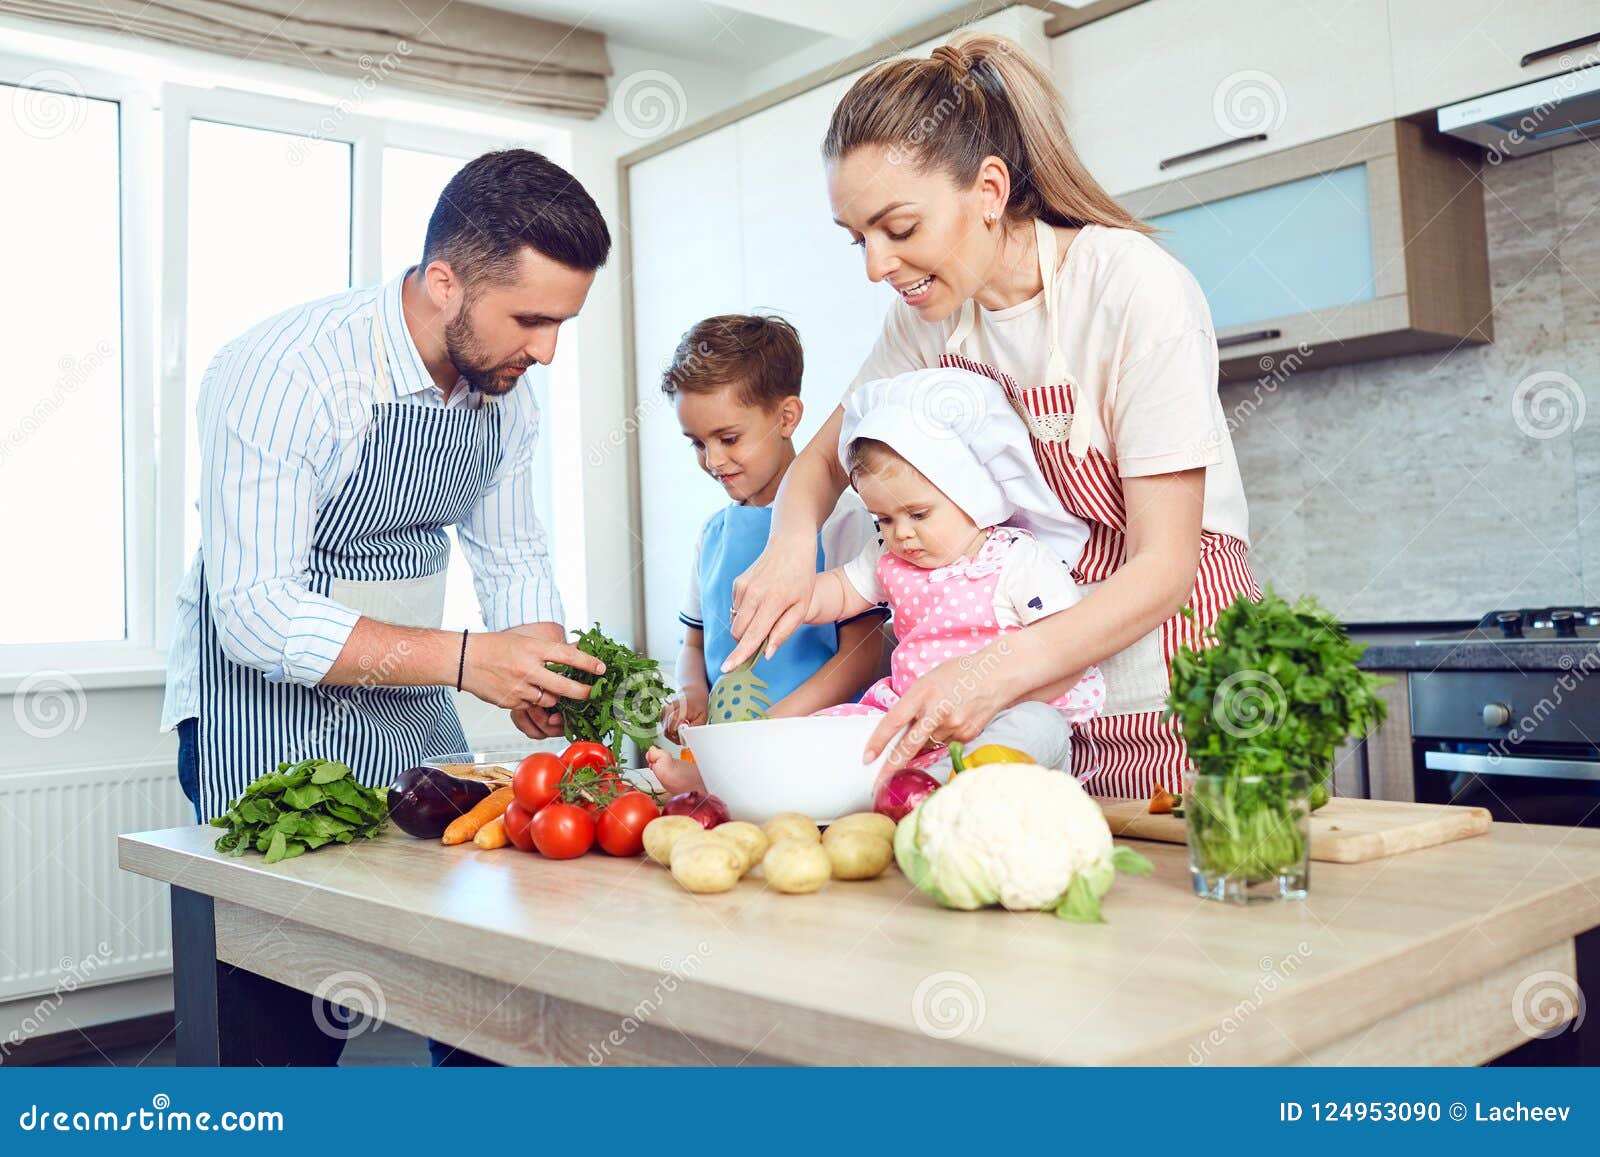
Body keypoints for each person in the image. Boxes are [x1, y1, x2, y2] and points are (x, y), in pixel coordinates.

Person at [719, 33, 1258, 797]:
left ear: (990, 191)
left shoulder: (1131, 288)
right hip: (1032, 706)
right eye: (859, 239)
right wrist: (788, 544)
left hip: (1175, 687)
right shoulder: (928, 319)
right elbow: (825, 461)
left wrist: (987, 672)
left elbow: (1163, 568)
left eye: (899, 229)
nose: (877, 266)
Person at [162, 149, 611, 1065]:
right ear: (444, 283)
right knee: (277, 1017)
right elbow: (253, 612)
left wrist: (538, 670)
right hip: (262, 712)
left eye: (563, 322)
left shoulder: (504, 391)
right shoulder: (286, 371)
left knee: (480, 982)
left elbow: (514, 553)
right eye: (531, 319)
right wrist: (465, 659)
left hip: (414, 696)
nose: (548, 350)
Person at [806, 368, 1105, 776]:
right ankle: (902, 787)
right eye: (884, 519)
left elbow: (1066, 649)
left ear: (971, 494)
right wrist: (794, 599)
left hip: (998, 717)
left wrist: (1007, 698)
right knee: (827, 734)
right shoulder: (888, 558)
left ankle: (964, 783)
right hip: (913, 720)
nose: (902, 534)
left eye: (917, 514)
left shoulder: (1016, 559)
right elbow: (840, 592)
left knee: (1038, 726)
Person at [645, 315, 886, 793]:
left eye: (728, 438)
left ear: (787, 417)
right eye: (697, 443)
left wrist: (774, 727)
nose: (712, 461)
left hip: (816, 745)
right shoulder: (712, 534)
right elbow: (693, 643)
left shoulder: (842, 520)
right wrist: (692, 691)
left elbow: (862, 654)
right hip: (731, 747)